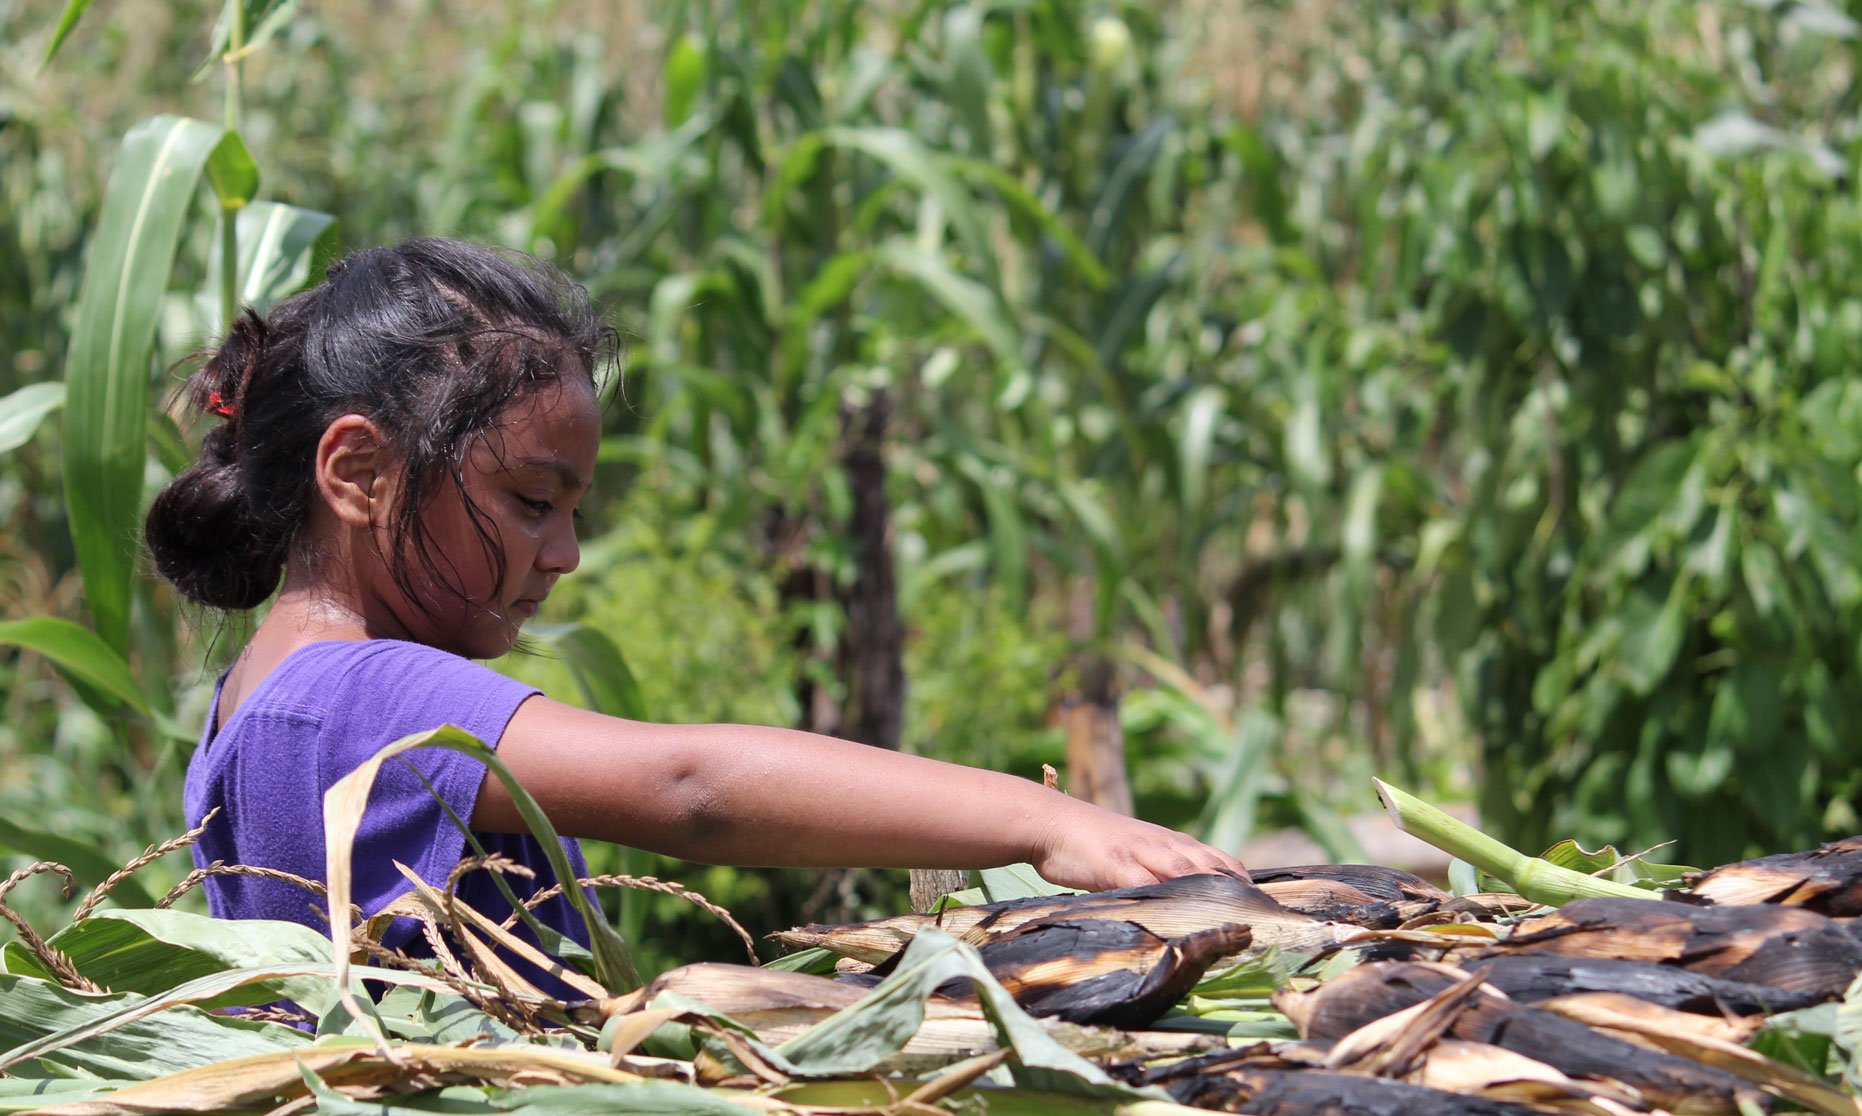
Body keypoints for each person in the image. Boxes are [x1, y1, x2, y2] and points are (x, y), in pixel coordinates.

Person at [147, 238, 1245, 977]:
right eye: (531, 502)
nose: (565, 554)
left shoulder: (256, 694)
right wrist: (1050, 821)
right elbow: (690, 787)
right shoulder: (361, 693)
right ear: (358, 473)